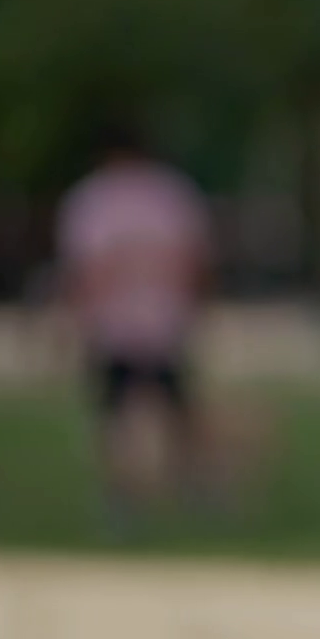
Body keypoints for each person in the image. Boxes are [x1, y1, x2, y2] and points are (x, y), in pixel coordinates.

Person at [56, 125, 212, 517]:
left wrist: (74, 319)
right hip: (166, 319)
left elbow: (86, 271)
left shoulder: (92, 199)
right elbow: (193, 263)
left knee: (114, 417)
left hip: (114, 325)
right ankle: (191, 488)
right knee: (178, 411)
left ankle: (121, 497)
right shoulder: (172, 195)